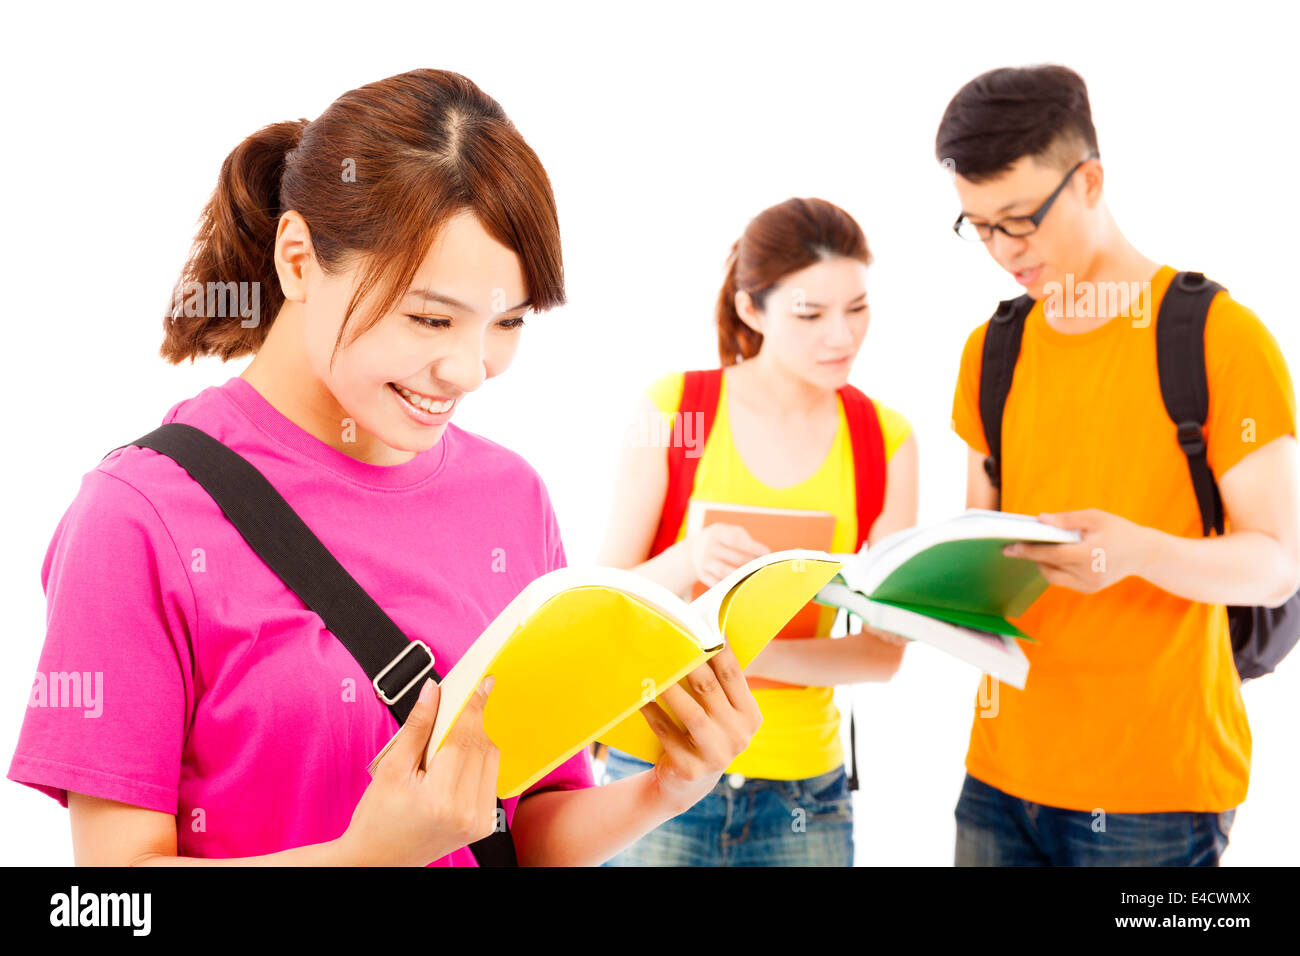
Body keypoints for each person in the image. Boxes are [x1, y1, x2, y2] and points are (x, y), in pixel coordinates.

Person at [6, 68, 762, 867]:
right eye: (430, 318)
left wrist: (666, 788)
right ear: (298, 259)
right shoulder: (138, 517)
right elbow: (114, 901)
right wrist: (366, 857)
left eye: (506, 323)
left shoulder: (510, 496)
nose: (469, 371)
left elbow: (522, 828)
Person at [937, 64, 1299, 866]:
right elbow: (984, 539)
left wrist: (1136, 552)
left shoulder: (1219, 338)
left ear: (1090, 180)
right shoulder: (991, 351)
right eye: (978, 226)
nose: (1002, 252)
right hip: (998, 781)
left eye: (1019, 220)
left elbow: (1276, 567)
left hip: (1155, 794)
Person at [596, 197, 917, 865]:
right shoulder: (674, 408)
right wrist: (689, 558)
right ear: (751, 309)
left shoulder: (884, 441)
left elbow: (884, 653)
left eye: (858, 308)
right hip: (656, 773)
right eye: (811, 314)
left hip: (804, 789)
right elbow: (603, 601)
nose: (843, 336)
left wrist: (742, 657)